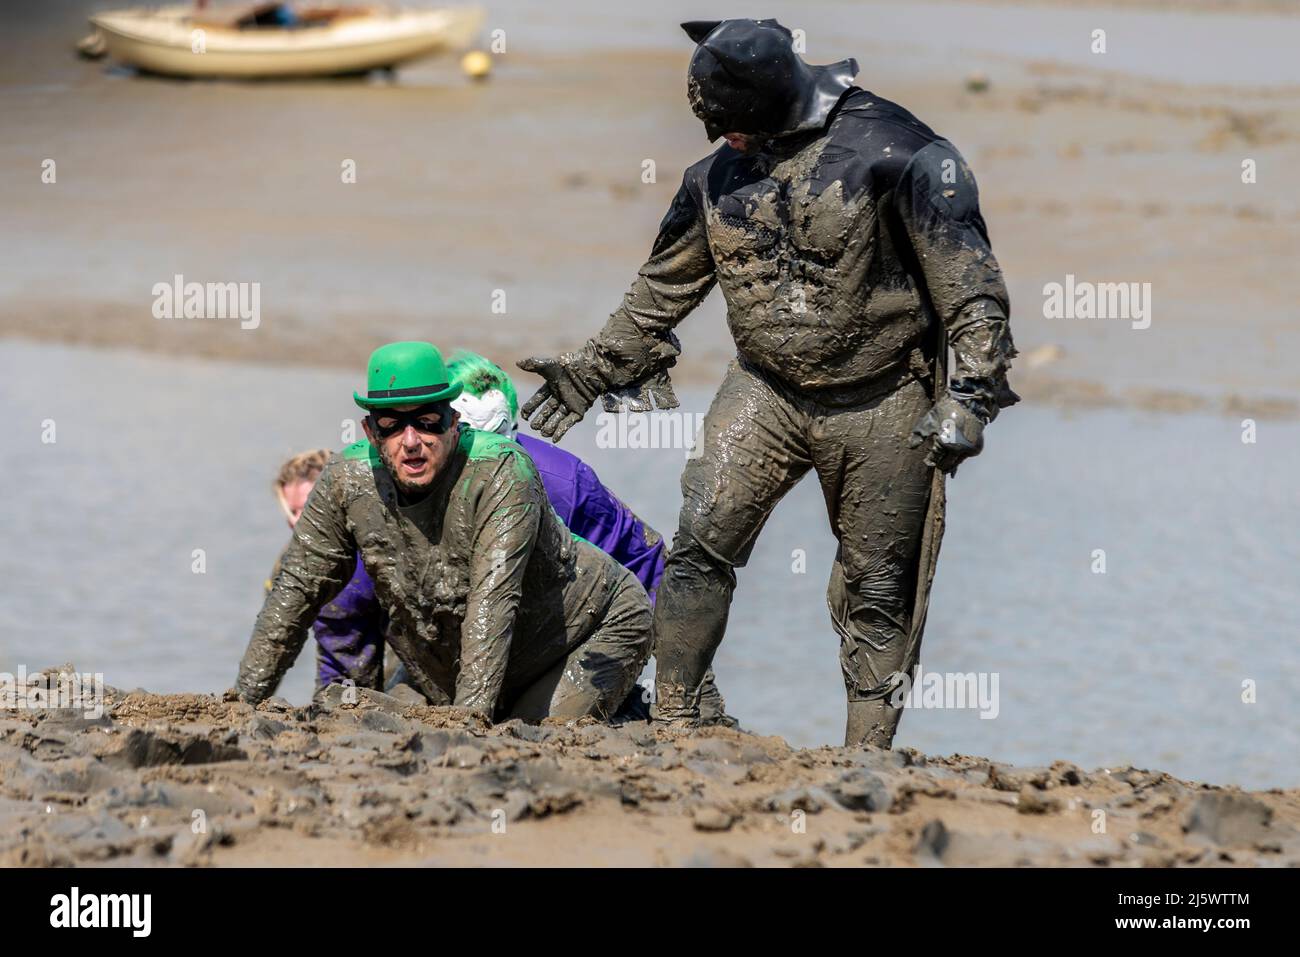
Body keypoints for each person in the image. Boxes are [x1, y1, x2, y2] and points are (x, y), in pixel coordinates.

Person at [516, 19, 1018, 748]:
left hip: (881, 394)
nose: (725, 142)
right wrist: (594, 367)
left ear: (777, 100)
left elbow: (973, 291)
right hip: (766, 388)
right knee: (698, 546)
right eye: (713, 127)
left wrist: (969, 396)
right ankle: (676, 722)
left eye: (733, 126)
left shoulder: (902, 154)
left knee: (879, 591)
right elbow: (661, 290)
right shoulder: (712, 178)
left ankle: (864, 757)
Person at [236, 341, 652, 722]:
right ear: (370, 431)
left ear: (453, 421)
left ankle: (630, 707)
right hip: (442, 658)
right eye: (392, 425)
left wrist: (467, 722)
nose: (411, 440)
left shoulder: (502, 471)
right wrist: (242, 705)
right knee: (358, 714)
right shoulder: (348, 479)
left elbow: (495, 600)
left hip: (582, 634)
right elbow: (295, 591)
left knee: (531, 727)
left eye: (427, 421)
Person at [447, 350, 734, 725]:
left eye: (492, 441)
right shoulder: (407, 473)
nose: (483, 458)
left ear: (511, 433)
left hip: (554, 635)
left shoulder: (563, 484)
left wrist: (688, 687)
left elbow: (645, 563)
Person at [270, 451, 387, 693]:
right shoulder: (288, 565)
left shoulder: (378, 546)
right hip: (338, 685)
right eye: (293, 512)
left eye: (309, 507)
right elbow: (275, 644)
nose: (299, 521)